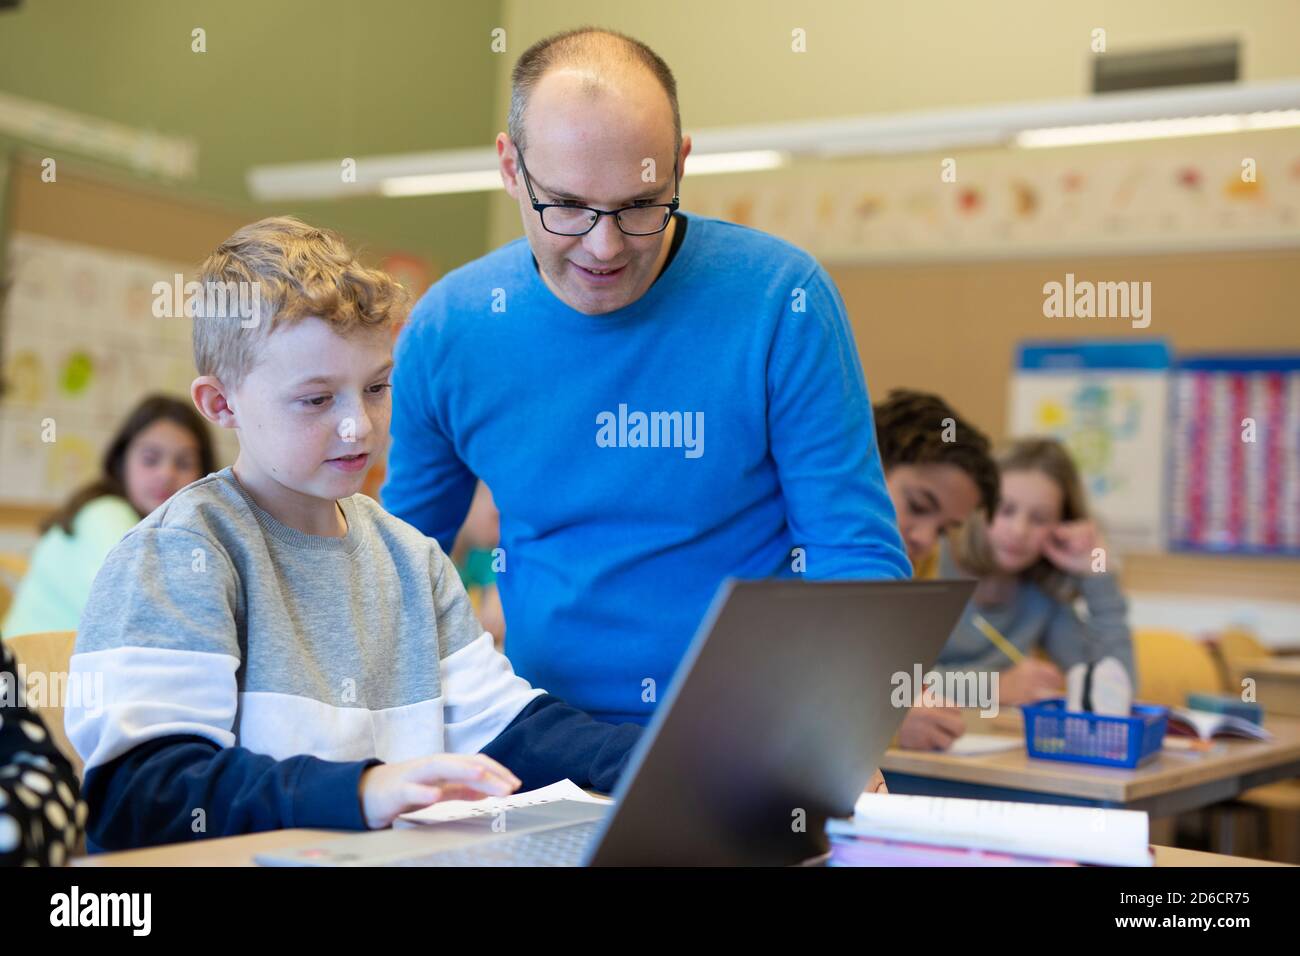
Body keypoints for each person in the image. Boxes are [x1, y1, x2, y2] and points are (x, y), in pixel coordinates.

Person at [383, 27, 909, 734]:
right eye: (566, 205)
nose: (604, 247)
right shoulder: (449, 328)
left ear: (680, 166)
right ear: (510, 168)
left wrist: (839, 736)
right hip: (540, 736)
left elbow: (852, 552)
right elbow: (400, 569)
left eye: (640, 204)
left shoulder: (780, 297)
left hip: (751, 731)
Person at [65, 217, 640, 851]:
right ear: (221, 404)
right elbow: (144, 795)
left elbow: (506, 729)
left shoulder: (410, 558)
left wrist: (648, 756)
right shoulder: (184, 554)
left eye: (374, 388)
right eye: (316, 400)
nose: (358, 429)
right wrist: (364, 793)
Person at [937, 437, 1135, 706]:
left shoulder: (1041, 591)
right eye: (1005, 510)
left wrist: (1098, 569)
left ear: (1062, 525)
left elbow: (1114, 691)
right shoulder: (929, 560)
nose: (1019, 531)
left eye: (1039, 519)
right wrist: (991, 687)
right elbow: (889, 683)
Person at [3, 394, 215, 638]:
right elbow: (141, 611)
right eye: (150, 459)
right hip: (34, 670)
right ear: (122, 461)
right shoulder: (106, 514)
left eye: (184, 463)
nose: (166, 474)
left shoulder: (169, 531)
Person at [872, 390, 1000, 751]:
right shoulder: (789, 552)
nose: (926, 538)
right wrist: (890, 725)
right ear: (866, 470)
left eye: (944, 529)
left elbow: (904, 681)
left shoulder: (918, 559)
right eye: (917, 505)